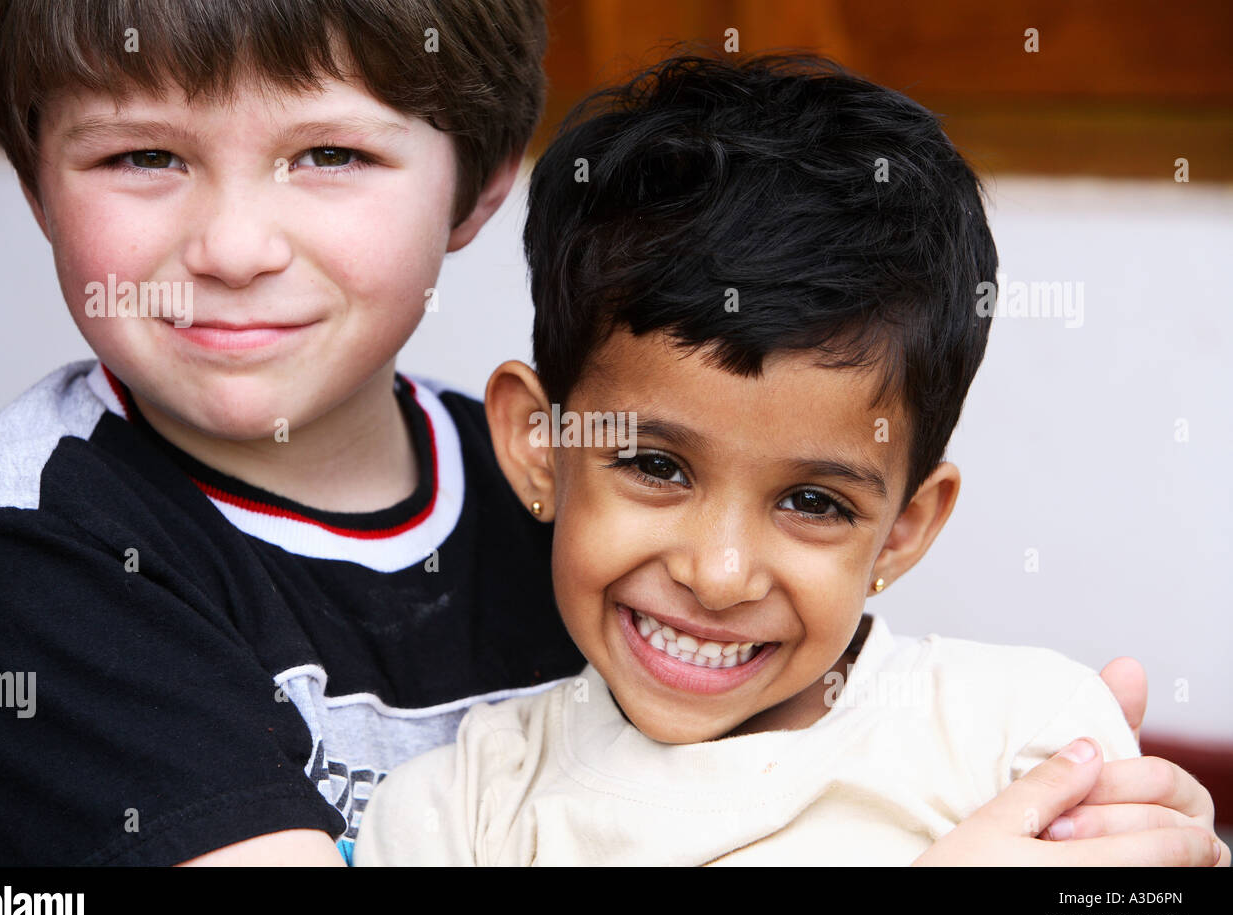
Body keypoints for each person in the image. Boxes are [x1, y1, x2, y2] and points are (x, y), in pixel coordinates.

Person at [0, 1, 1219, 868]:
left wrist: (1131, 853)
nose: (232, 247)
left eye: (328, 154)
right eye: (141, 156)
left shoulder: (590, 494)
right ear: (34, 171)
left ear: (479, 182)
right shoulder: (21, 564)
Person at [352, 53, 1228, 866]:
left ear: (903, 529)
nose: (721, 574)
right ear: (541, 447)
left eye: (813, 501)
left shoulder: (1026, 740)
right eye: (656, 466)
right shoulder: (456, 816)